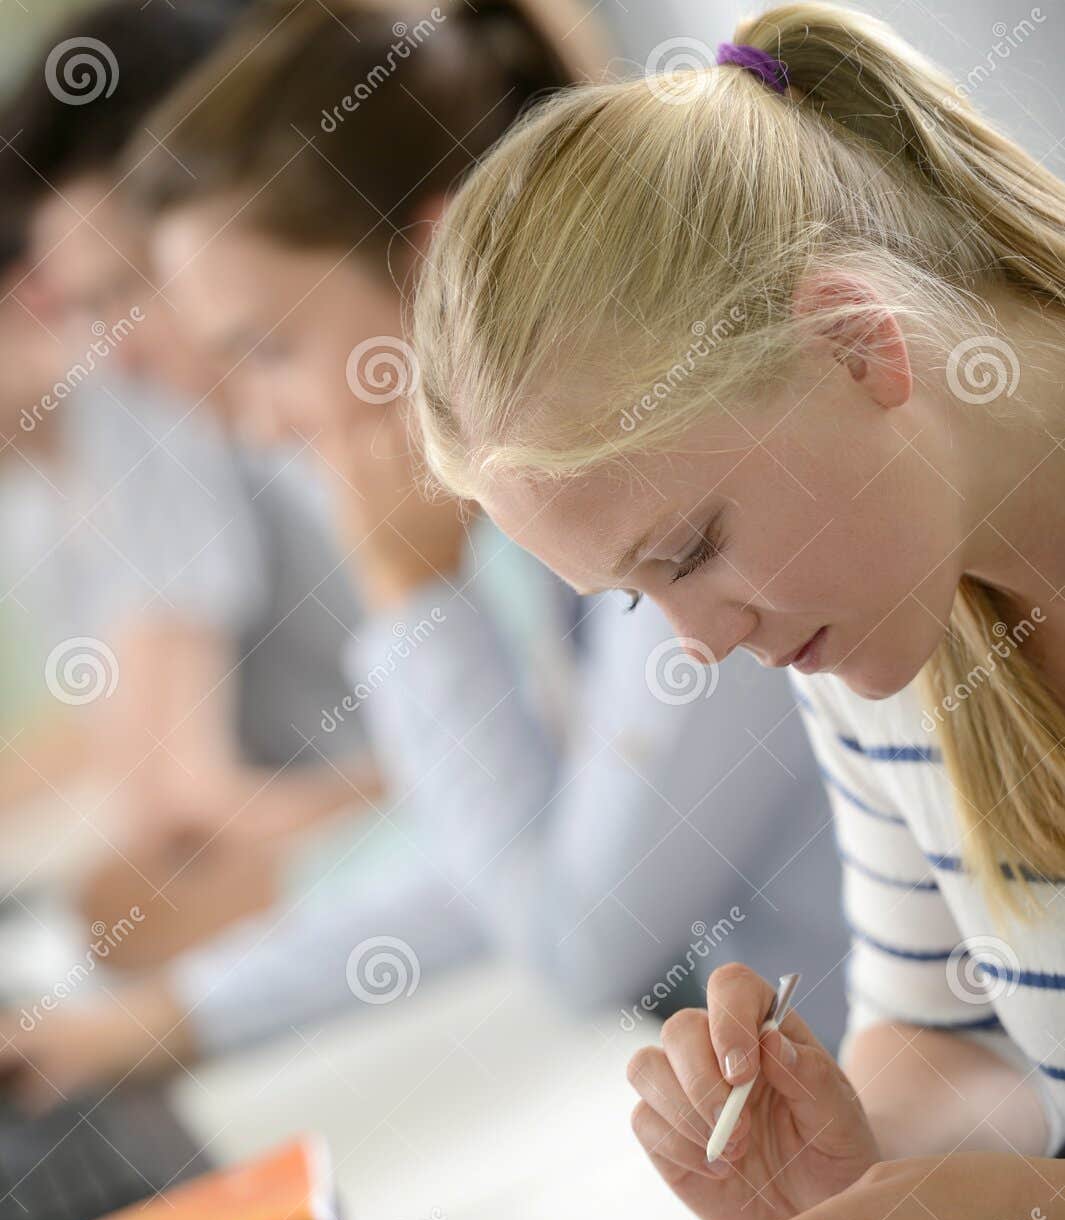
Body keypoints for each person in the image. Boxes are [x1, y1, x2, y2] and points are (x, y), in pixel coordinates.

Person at [0, 0, 848, 1104]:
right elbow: (536, 851)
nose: (254, 418)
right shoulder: (550, 513)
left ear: (430, 258)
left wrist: (412, 597)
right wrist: (175, 1018)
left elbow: (579, 941)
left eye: (266, 347)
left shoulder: (682, 504)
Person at [409, 2, 1065, 1220]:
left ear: (853, 342)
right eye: (642, 595)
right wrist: (859, 1157)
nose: (699, 643)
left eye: (693, 546)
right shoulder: (886, 621)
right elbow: (956, 1040)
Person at [0, 0, 377, 966]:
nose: (110, 350)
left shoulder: (145, 426)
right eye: (93, 305)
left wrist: (429, 785)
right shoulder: (65, 479)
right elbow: (117, 750)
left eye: (126, 290)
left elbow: (172, 811)